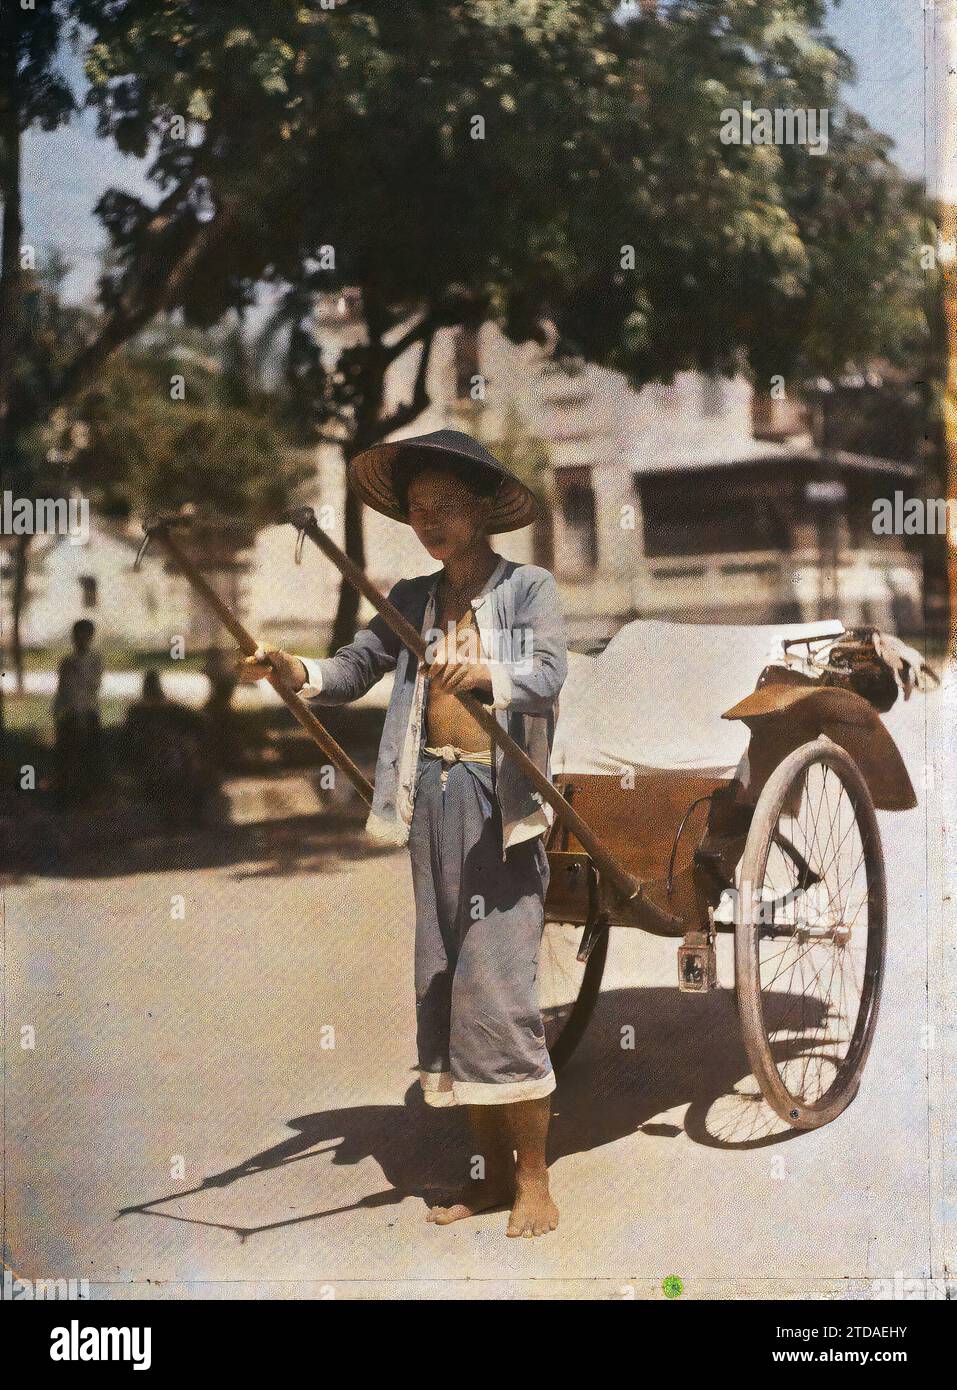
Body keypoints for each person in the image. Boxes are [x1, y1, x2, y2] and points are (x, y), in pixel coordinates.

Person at [238, 429, 568, 1238]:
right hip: (432, 798)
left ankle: (534, 1181)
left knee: (498, 991)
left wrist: (486, 670)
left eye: (445, 507)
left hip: (501, 806)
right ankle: (486, 1175)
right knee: (448, 983)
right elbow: (352, 669)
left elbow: (547, 672)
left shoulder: (523, 591)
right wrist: (292, 670)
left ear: (482, 509)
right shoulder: (411, 599)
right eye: (417, 510)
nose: (429, 522)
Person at [123, 669, 210, 828]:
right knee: (182, 766)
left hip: (154, 764)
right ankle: (192, 818)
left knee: (174, 765)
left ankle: (178, 818)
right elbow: (202, 721)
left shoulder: (137, 712)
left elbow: (129, 741)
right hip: (167, 763)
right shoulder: (169, 708)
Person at [53, 618, 103, 804]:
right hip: (70, 713)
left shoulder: (94, 660)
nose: (80, 640)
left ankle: (89, 794)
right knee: (69, 755)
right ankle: (68, 793)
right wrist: (59, 713)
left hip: (88, 711)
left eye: (85, 636)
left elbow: (94, 685)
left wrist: (78, 672)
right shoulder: (67, 661)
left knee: (88, 755)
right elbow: (62, 690)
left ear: (90, 638)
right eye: (77, 636)